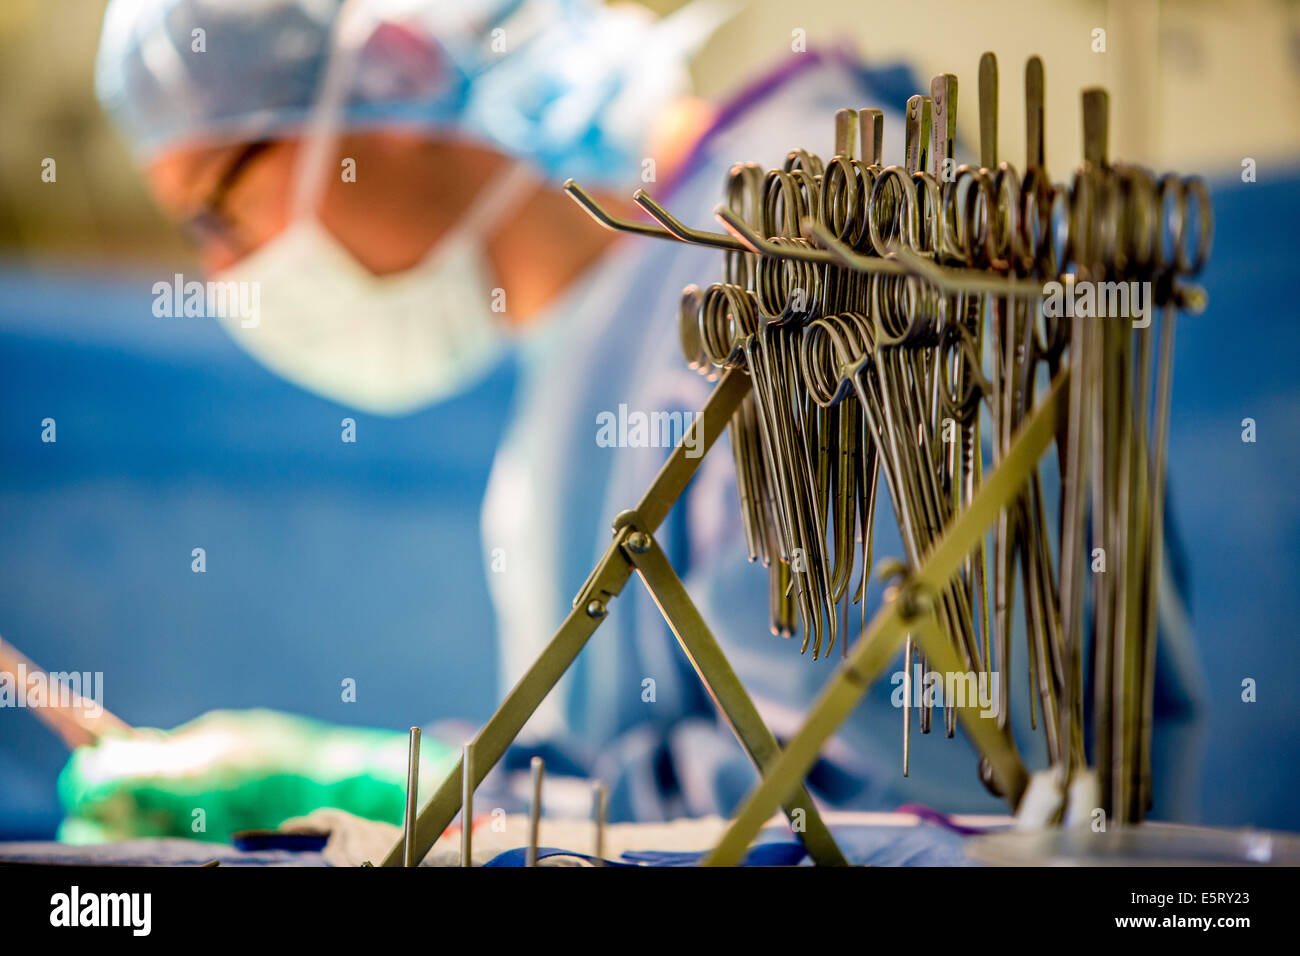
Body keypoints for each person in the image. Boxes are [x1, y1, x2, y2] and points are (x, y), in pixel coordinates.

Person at [88, 0, 1203, 834]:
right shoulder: (600, 347)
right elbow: (652, 776)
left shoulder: (832, 244)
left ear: (398, 57)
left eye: (215, 210)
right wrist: (422, 800)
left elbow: (885, 815)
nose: (226, 271)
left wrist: (401, 797)